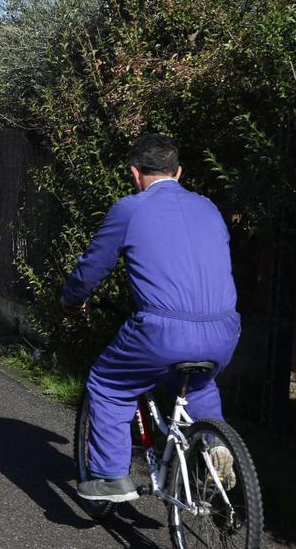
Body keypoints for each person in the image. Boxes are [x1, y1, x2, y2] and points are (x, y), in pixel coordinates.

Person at [62, 134, 241, 502]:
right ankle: (215, 446)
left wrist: (71, 300)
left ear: (134, 173)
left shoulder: (130, 209)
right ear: (179, 172)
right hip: (224, 331)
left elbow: (93, 267)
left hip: (162, 330)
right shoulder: (208, 207)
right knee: (198, 385)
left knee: (108, 383)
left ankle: (111, 477)